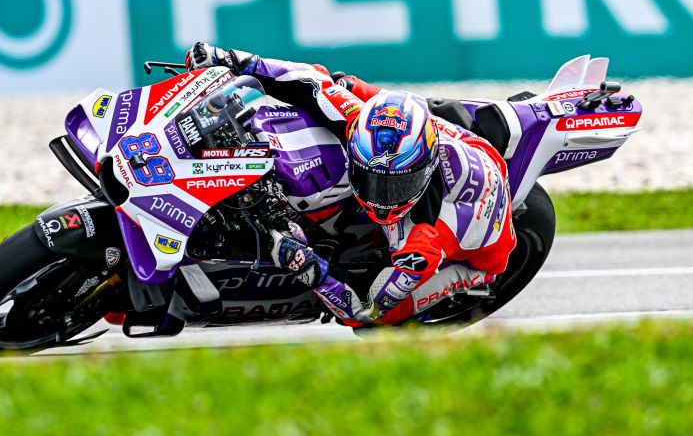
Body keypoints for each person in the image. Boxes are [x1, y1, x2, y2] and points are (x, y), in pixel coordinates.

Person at [185, 42, 516, 327]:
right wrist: (234, 59)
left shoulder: (424, 244)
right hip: (460, 145)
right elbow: (310, 79)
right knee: (339, 84)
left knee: (378, 322)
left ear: (424, 171)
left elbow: (364, 307)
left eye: (396, 187)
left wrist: (305, 264)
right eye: (370, 178)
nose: (381, 198)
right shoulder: (359, 121)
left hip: (478, 256)